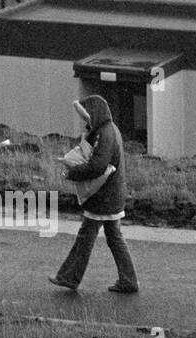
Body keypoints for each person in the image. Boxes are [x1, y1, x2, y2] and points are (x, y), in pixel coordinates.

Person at [50, 96, 139, 294]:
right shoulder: (107, 130)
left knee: (87, 236)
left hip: (103, 196)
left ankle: (69, 277)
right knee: (112, 237)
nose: (86, 121)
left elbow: (97, 166)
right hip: (111, 193)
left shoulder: (105, 134)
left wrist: (72, 173)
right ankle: (128, 280)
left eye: (87, 117)